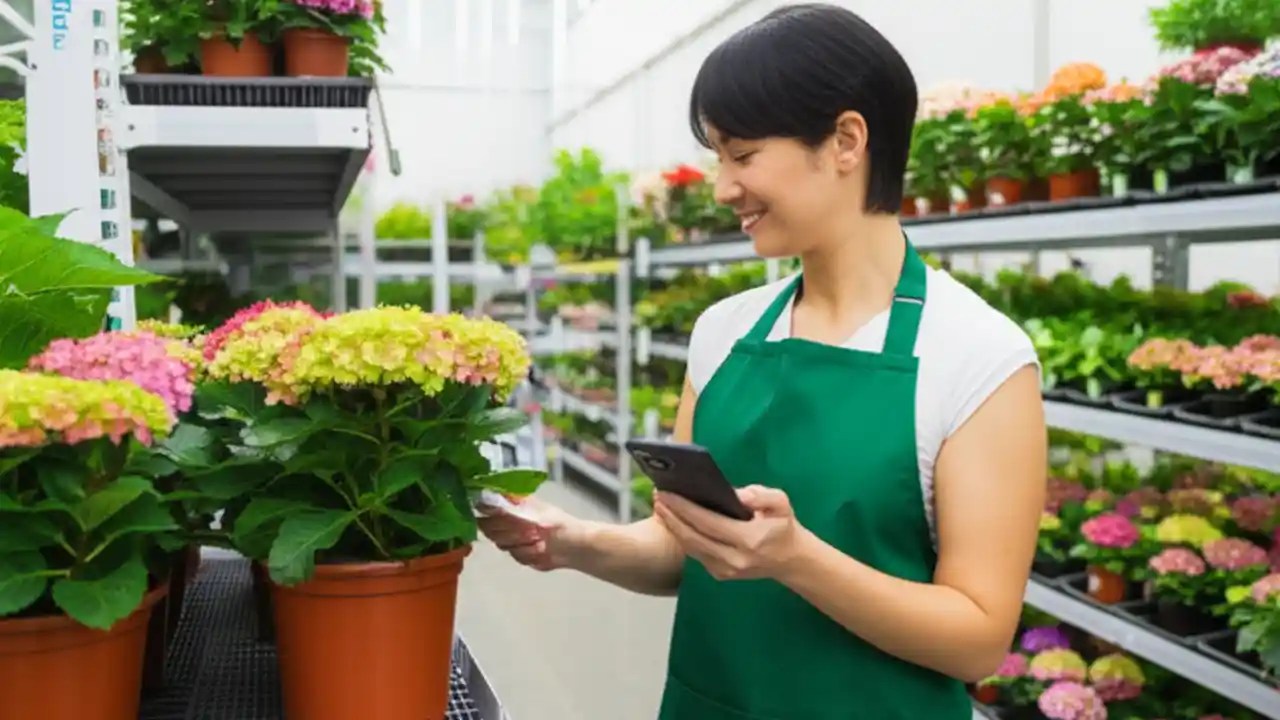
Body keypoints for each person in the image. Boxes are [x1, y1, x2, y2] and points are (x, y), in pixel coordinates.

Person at [480, 4, 1047, 718]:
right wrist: (570, 540)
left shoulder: (978, 357)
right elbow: (681, 545)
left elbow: (977, 639)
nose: (721, 188)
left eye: (742, 155)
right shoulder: (725, 332)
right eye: (719, 156)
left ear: (846, 141)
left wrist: (796, 559)